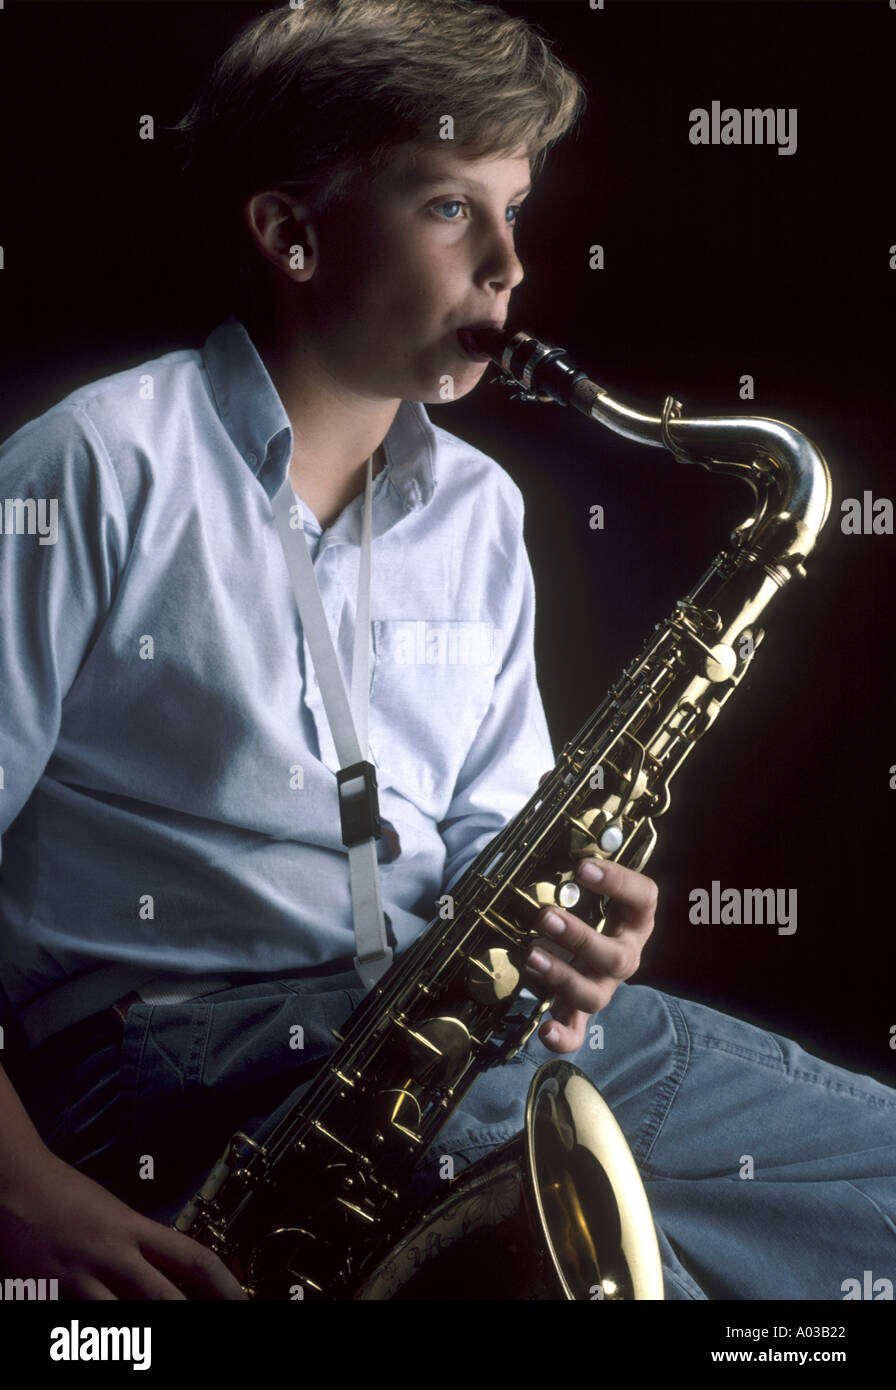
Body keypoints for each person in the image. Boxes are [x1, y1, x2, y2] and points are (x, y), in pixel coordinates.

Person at [0, 0, 893, 1303]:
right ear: (292, 233)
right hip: (189, 1059)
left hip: (450, 1026)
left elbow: (492, 836)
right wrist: (22, 1189)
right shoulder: (93, 466)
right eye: (448, 207)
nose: (509, 265)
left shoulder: (481, 512)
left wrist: (575, 926)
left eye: (515, 207)